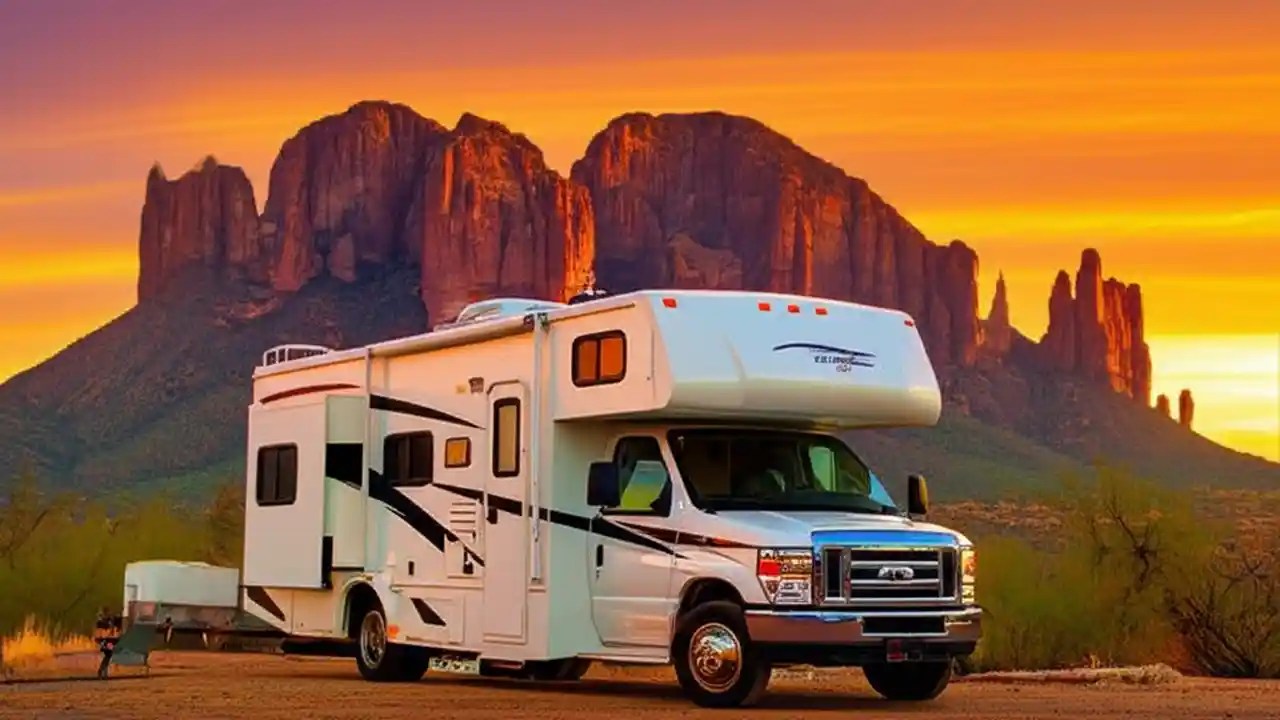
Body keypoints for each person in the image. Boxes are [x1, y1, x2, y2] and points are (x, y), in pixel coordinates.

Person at [93, 606, 122, 679]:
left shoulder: (107, 620)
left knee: (108, 656)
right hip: (106, 640)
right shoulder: (104, 621)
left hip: (106, 640)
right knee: (108, 655)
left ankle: (103, 672)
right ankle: (102, 671)